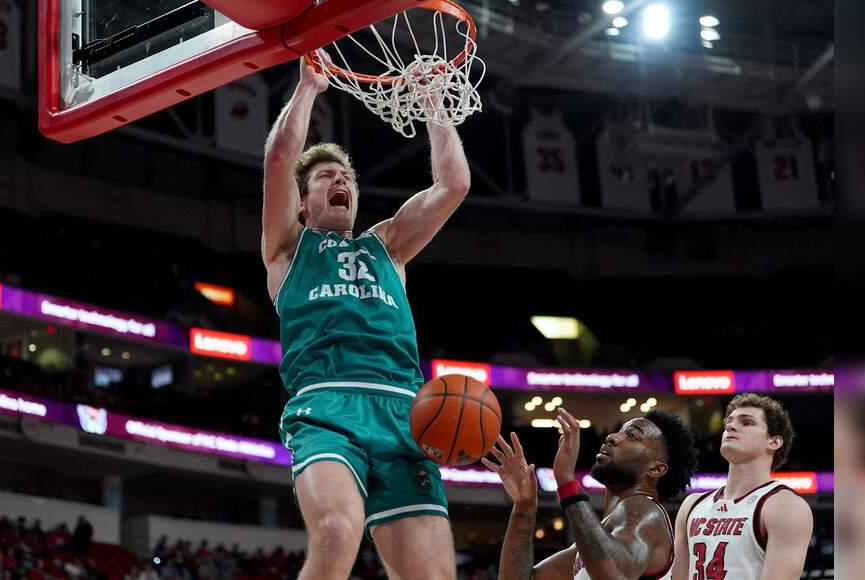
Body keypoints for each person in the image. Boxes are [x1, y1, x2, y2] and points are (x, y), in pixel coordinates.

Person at [262, 50, 471, 579]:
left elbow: (453, 186)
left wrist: (432, 105)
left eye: (347, 178)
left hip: (405, 415)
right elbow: (280, 159)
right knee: (335, 533)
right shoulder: (288, 249)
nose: (342, 182)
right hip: (327, 410)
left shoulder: (389, 247)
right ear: (303, 204)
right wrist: (308, 88)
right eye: (327, 177)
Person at [485, 408, 698, 579]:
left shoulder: (645, 509)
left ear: (655, 469)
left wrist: (567, 482)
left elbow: (616, 574)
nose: (612, 437)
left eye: (632, 436)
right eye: (620, 431)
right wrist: (524, 505)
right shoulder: (593, 544)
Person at [670, 394, 814, 580]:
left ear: (774, 441)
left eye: (746, 423)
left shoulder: (785, 506)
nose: (730, 426)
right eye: (728, 422)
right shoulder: (692, 505)